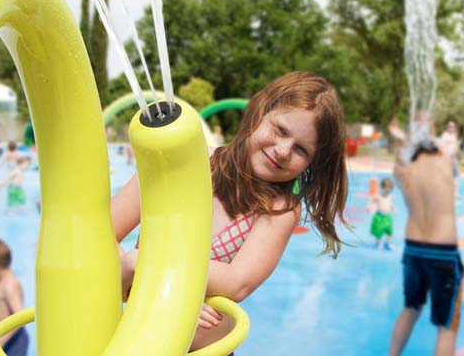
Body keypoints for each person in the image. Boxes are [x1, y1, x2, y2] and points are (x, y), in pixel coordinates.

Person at [111, 71, 348, 353]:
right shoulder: (183, 164)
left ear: (311, 163)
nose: (283, 150)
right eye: (280, 130)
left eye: (301, 150)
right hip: (139, 336)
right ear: (259, 112)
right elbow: (102, 232)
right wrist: (146, 280)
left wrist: (147, 270)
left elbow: (237, 282)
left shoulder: (279, 210)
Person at [386, 117, 462, 356]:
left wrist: (402, 136)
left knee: (410, 308)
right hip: (443, 250)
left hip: (413, 248)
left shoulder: (403, 171)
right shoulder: (444, 160)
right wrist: (425, 127)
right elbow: (437, 143)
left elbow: (403, 154)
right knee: (446, 327)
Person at [368, 177, 397, 250]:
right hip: (379, 217)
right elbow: (372, 201)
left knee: (390, 232)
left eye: (390, 191)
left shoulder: (389, 196)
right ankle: (378, 243)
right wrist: (369, 207)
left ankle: (388, 243)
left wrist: (394, 209)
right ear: (382, 188)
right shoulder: (377, 196)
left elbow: (390, 203)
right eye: (387, 190)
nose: (388, 192)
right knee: (378, 232)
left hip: (387, 217)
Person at [438, 120, 460, 194]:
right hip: (447, 157)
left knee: (456, 174)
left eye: (453, 126)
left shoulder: (454, 135)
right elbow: (441, 147)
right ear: (447, 127)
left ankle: (455, 192)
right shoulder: (445, 135)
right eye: (450, 126)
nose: (452, 128)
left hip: (454, 157)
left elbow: (455, 146)